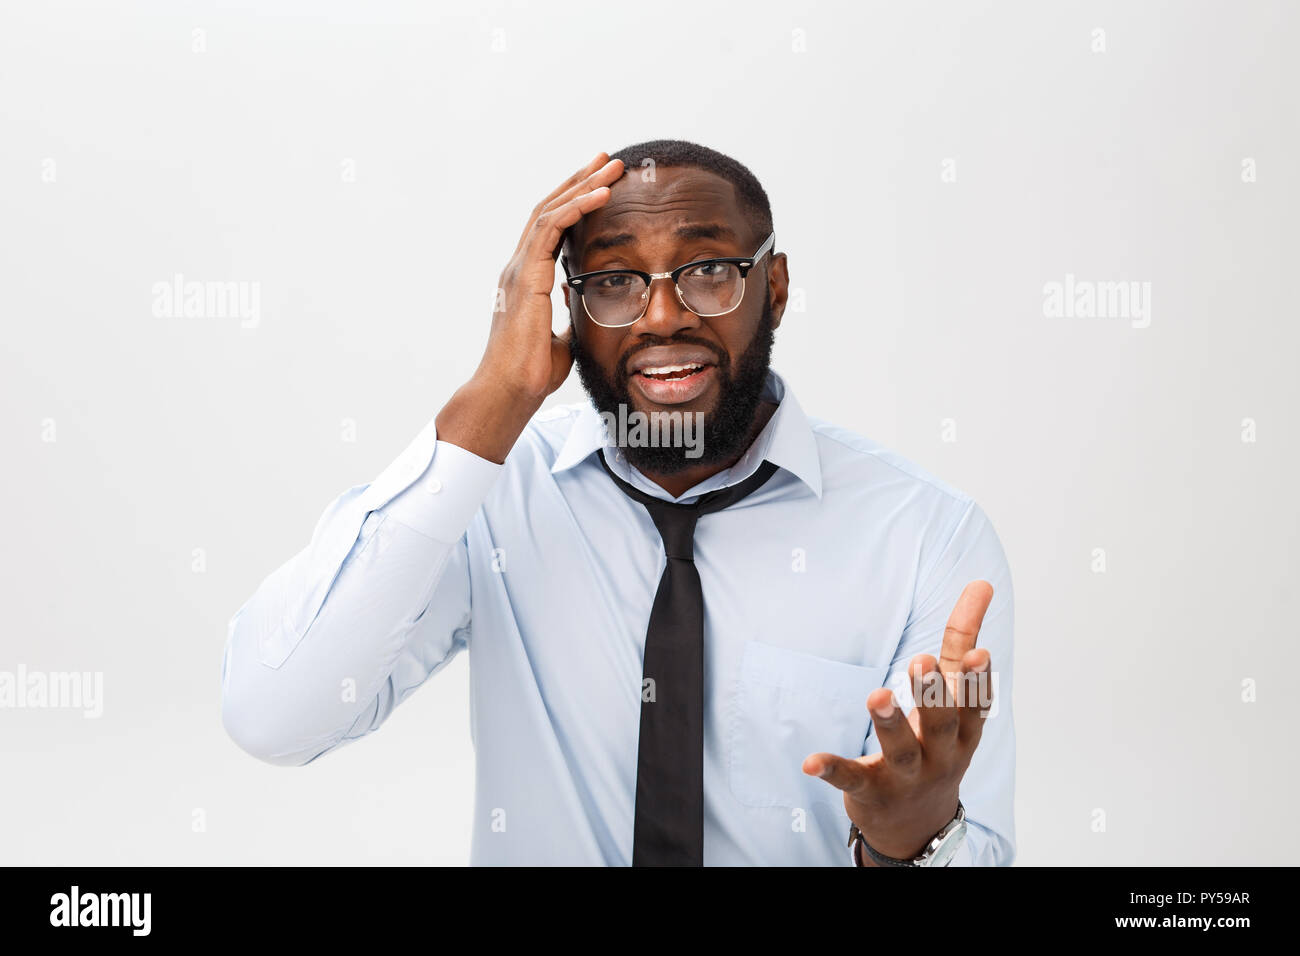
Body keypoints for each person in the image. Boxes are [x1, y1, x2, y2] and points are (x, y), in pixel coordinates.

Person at [221, 140, 1016, 867]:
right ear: (565, 308)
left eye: (708, 270)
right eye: (613, 283)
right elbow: (276, 716)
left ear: (772, 289)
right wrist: (496, 394)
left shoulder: (926, 536)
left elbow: (964, 841)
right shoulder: (494, 494)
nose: (663, 315)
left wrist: (910, 842)